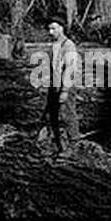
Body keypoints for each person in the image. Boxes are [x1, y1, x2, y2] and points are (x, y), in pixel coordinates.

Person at [43, 17, 80, 153]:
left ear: (61, 28)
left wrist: (65, 90)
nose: (51, 32)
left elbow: (70, 68)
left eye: (54, 28)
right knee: (52, 116)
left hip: (66, 86)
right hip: (54, 86)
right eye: (49, 29)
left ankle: (74, 145)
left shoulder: (68, 45)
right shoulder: (54, 45)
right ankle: (57, 145)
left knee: (67, 115)